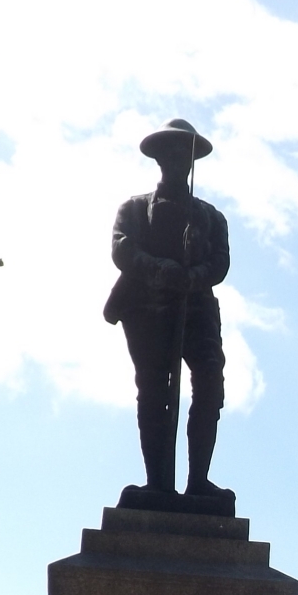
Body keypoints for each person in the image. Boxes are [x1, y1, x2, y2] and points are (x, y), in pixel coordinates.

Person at [103, 118, 231, 502]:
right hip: (147, 308)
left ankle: (198, 484)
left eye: (185, 154)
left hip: (197, 307)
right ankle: (158, 483)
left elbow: (220, 262)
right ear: (159, 159)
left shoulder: (210, 216)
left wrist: (193, 276)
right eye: (171, 153)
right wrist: (159, 269)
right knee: (154, 389)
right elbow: (121, 248)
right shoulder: (135, 208)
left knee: (209, 383)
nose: (178, 160)